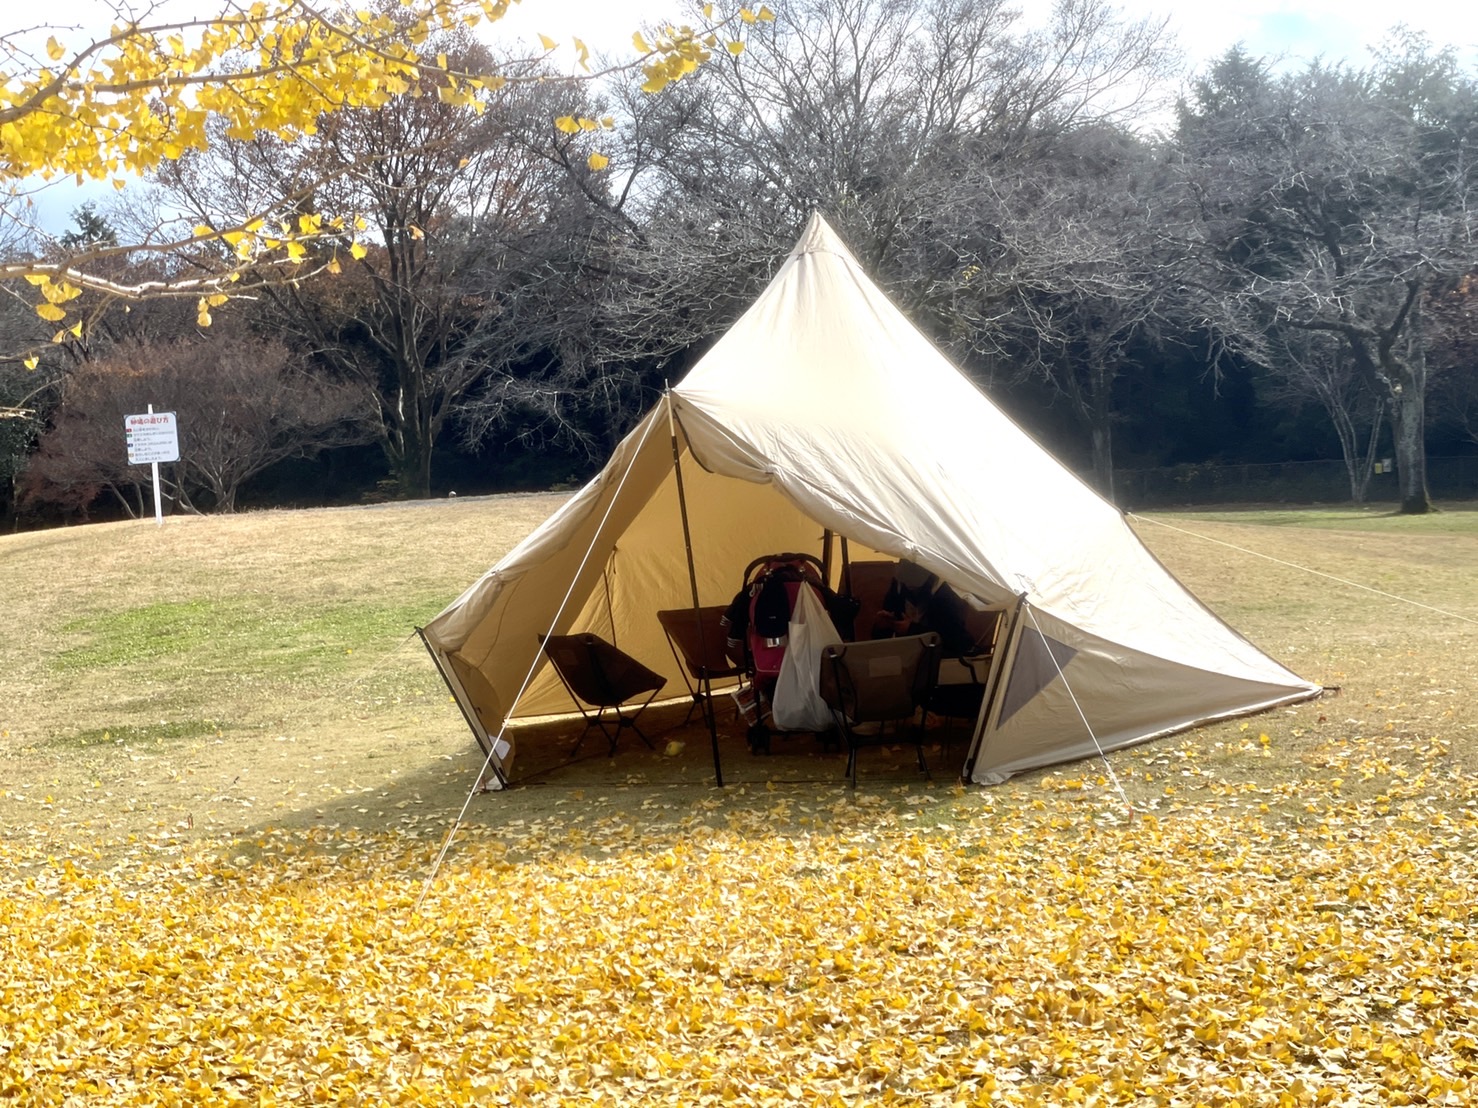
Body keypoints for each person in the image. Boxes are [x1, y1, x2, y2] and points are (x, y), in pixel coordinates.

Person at [871, 559, 974, 657]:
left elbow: (959, 643)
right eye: (905, 583)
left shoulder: (945, 597)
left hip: (937, 665)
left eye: (916, 587)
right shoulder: (898, 588)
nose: (909, 588)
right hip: (903, 660)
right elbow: (881, 642)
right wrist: (881, 627)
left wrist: (912, 630)